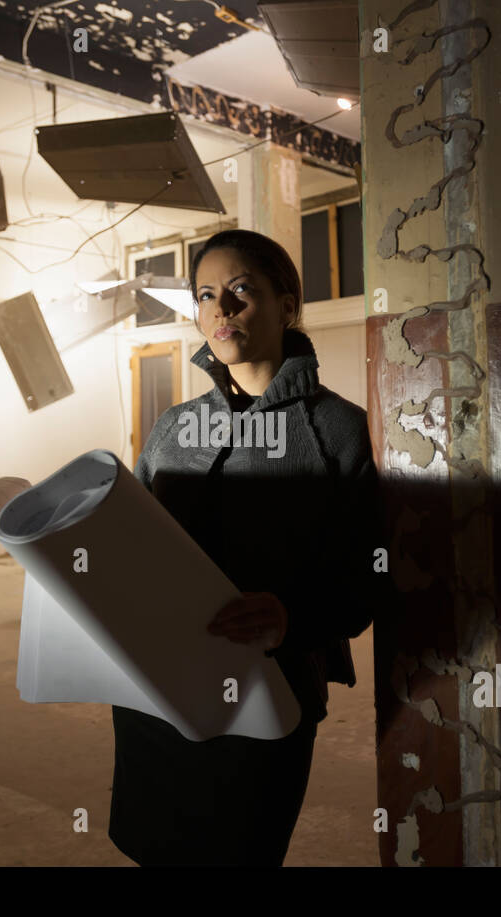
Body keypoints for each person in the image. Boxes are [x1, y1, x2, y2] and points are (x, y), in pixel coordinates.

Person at [107, 228, 382, 866]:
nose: (220, 311)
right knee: (157, 849)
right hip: (155, 691)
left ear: (287, 306)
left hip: (267, 692)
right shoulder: (175, 428)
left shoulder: (339, 430)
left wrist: (291, 617)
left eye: (240, 291)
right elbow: (130, 544)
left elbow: (368, 572)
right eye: (206, 295)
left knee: (240, 852)